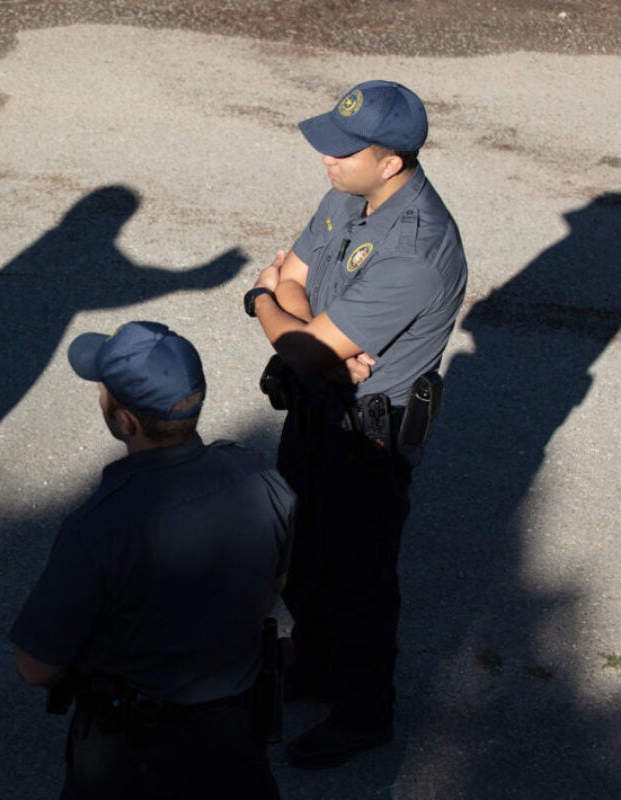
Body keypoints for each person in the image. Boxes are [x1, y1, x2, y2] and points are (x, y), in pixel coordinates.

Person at [243, 80, 467, 769]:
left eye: (343, 152)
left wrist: (261, 303)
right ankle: (312, 670)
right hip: (316, 409)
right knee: (300, 556)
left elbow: (291, 317)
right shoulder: (350, 193)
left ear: (391, 160)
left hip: (368, 437)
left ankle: (364, 714)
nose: (326, 161)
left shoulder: (418, 251)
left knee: (359, 580)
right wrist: (293, 314)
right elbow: (293, 276)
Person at [9, 321, 295, 799]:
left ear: (125, 421)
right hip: (234, 741)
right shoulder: (260, 476)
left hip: (132, 756)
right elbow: (275, 584)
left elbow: (35, 668)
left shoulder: (100, 526)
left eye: (104, 391)